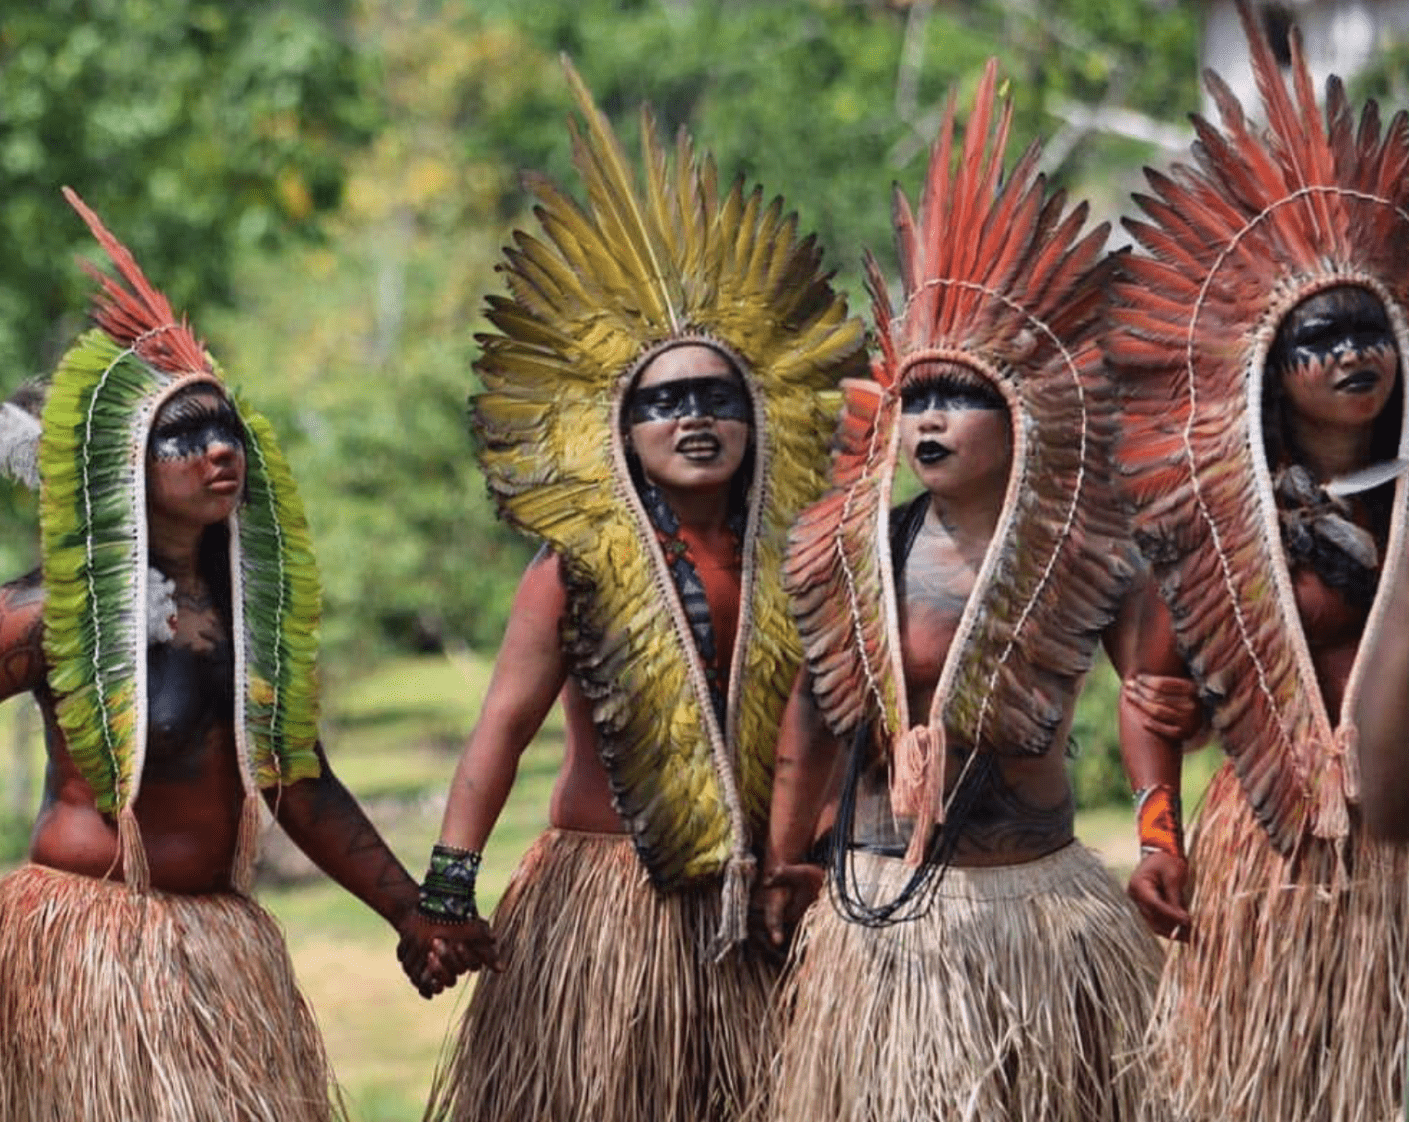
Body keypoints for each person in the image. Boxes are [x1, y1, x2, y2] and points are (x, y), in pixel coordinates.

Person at [0, 188, 491, 1121]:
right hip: (88, 957)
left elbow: (294, 781)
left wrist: (411, 910)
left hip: (215, 953)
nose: (217, 451)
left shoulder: (252, 618)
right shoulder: (53, 613)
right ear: (127, 462)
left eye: (227, 429)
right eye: (184, 436)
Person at [418, 62, 864, 1122]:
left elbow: (842, 724)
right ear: (618, 431)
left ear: (761, 415)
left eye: (717, 397)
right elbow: (500, 730)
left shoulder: (805, 560)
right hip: (606, 904)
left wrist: (814, 859)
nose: (694, 419)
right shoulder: (572, 569)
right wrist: (446, 887)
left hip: (768, 900)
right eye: (665, 403)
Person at [758, 61, 1193, 1121]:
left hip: (1039, 908)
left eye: (962, 396)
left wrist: (1159, 837)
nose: (930, 420)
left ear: (1027, 414)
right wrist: (781, 859)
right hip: (882, 917)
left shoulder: (1101, 554)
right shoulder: (860, 549)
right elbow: (812, 711)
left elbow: (1153, 705)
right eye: (916, 397)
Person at [1107, 6, 1409, 1117]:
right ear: (1267, 370)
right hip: (1270, 861)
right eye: (1318, 341)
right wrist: (1157, 834)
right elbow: (1154, 695)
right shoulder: (1221, 520)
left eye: (1370, 331)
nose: (1352, 355)